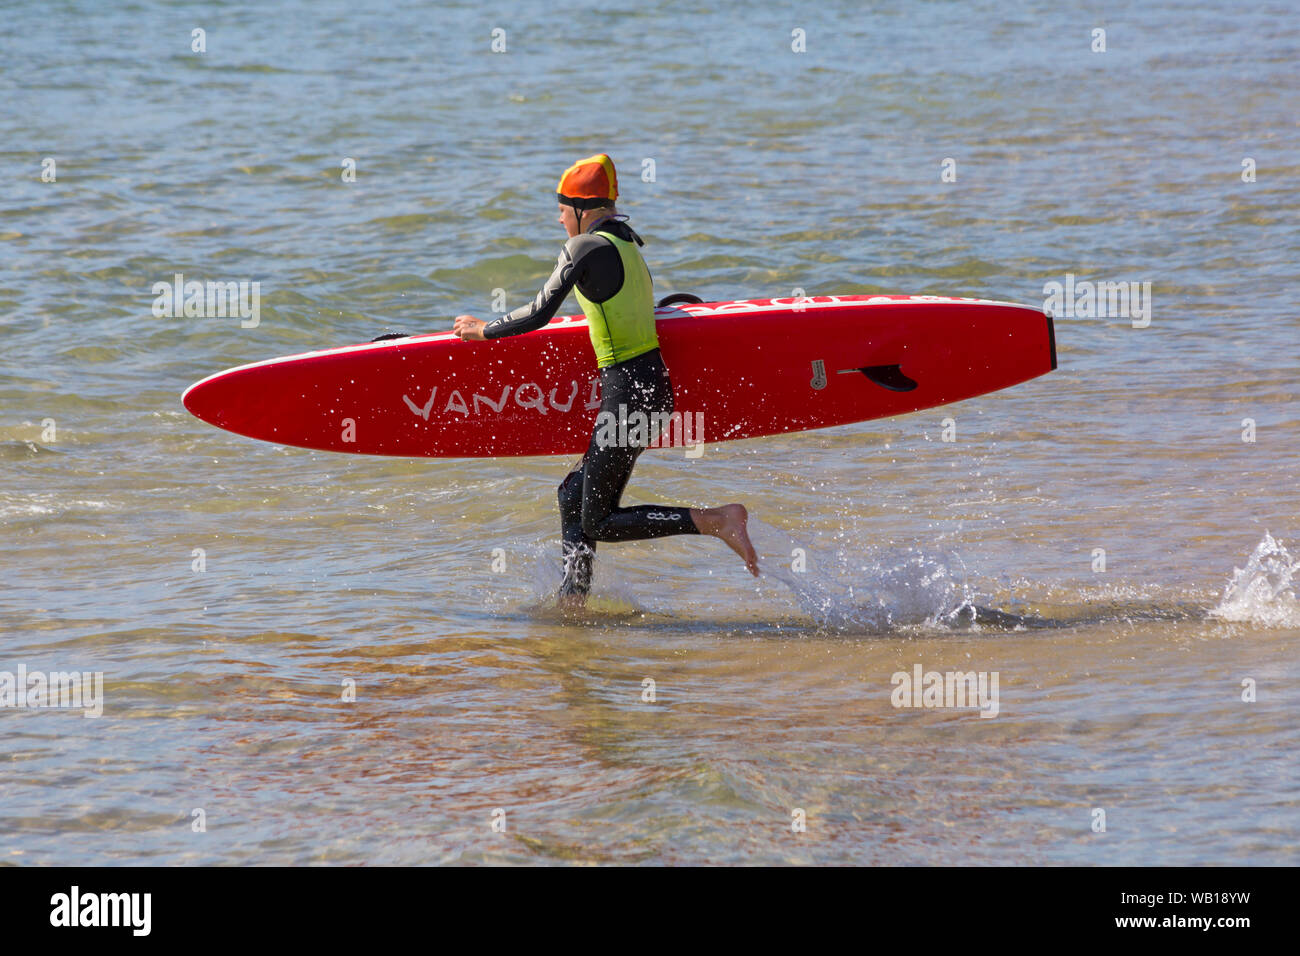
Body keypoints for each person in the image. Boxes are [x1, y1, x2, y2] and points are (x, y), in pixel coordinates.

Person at [451, 154, 759, 607]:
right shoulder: (629, 244)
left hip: (630, 395)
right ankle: (573, 599)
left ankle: (716, 520)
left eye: (562, 208)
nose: (558, 218)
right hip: (647, 390)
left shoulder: (584, 248)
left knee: (600, 521)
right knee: (572, 493)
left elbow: (538, 311)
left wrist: (482, 330)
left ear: (582, 208)